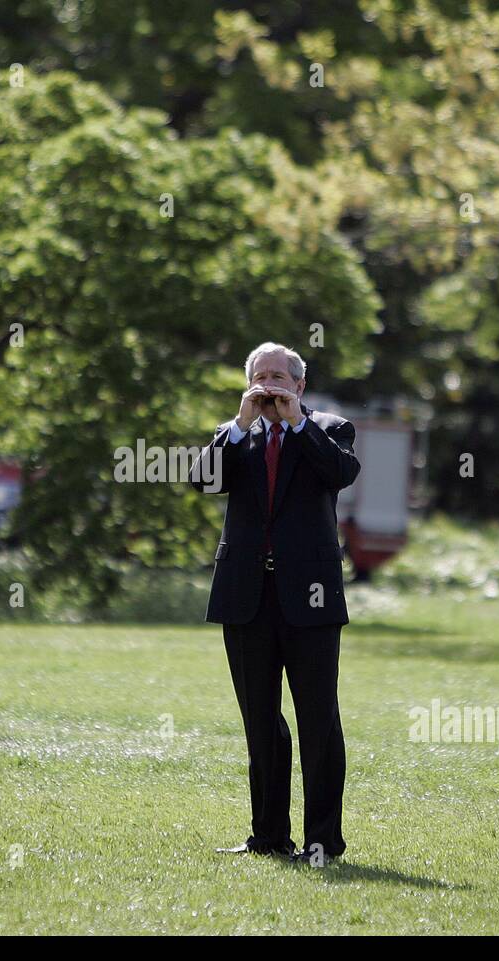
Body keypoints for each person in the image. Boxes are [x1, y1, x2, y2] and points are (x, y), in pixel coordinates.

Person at [189, 342, 360, 864]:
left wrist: (296, 423)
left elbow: (341, 473)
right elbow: (202, 479)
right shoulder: (233, 435)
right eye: (259, 376)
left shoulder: (328, 428)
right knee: (260, 721)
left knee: (318, 722)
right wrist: (241, 423)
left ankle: (322, 841)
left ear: (299, 384)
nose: (269, 384)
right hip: (246, 597)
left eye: (278, 376)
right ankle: (267, 836)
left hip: (310, 599)